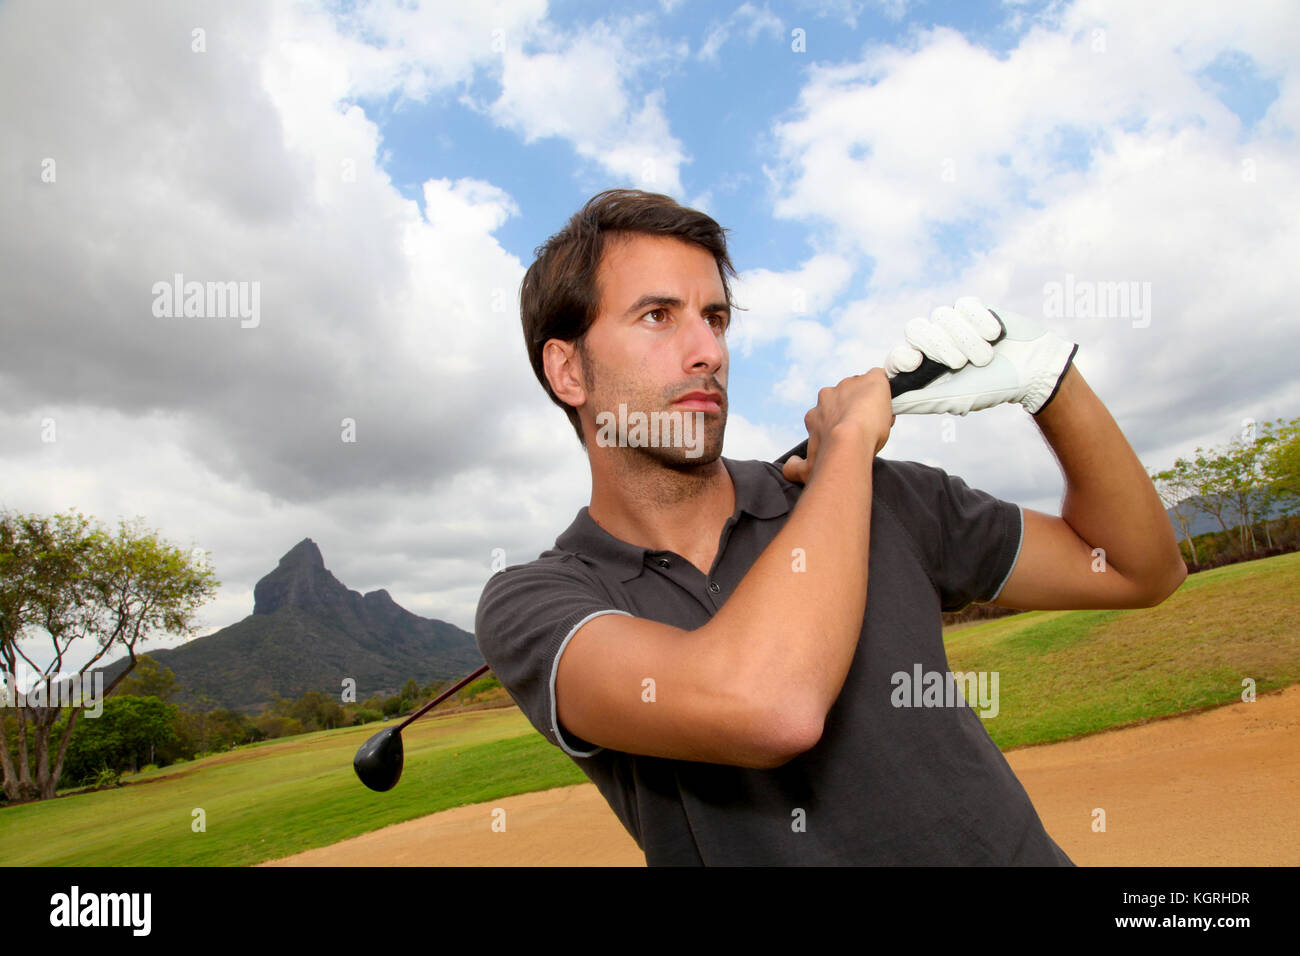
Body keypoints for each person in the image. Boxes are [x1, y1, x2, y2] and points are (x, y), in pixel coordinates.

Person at [474, 189, 1186, 865]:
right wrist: (848, 446)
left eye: (715, 318)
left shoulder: (881, 498)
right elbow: (769, 708)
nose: (709, 352)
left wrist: (1051, 384)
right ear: (568, 371)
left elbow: (1137, 570)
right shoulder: (535, 604)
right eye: (658, 315)